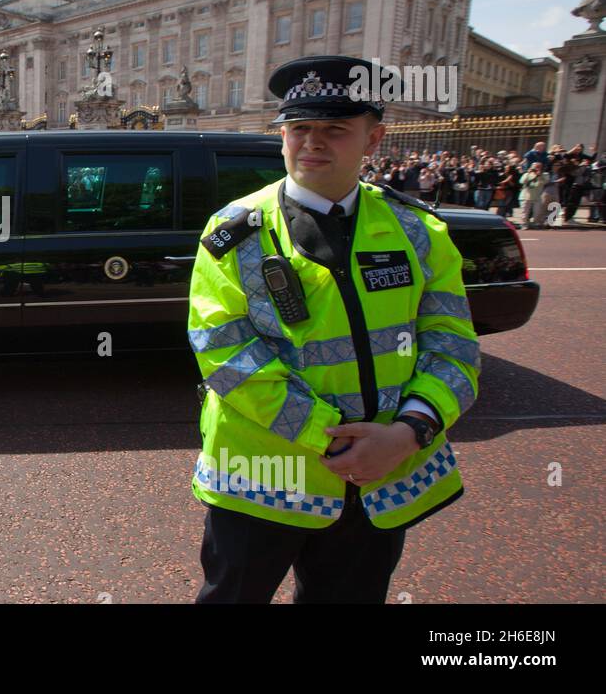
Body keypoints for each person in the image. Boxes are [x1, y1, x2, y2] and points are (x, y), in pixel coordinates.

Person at [188, 55, 479, 604]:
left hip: (383, 473)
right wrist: (332, 437)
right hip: (263, 476)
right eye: (299, 129)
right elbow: (223, 351)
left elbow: (454, 345)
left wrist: (408, 433)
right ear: (282, 138)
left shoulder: (418, 228)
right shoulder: (235, 231)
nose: (312, 143)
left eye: (335, 129)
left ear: (374, 139)